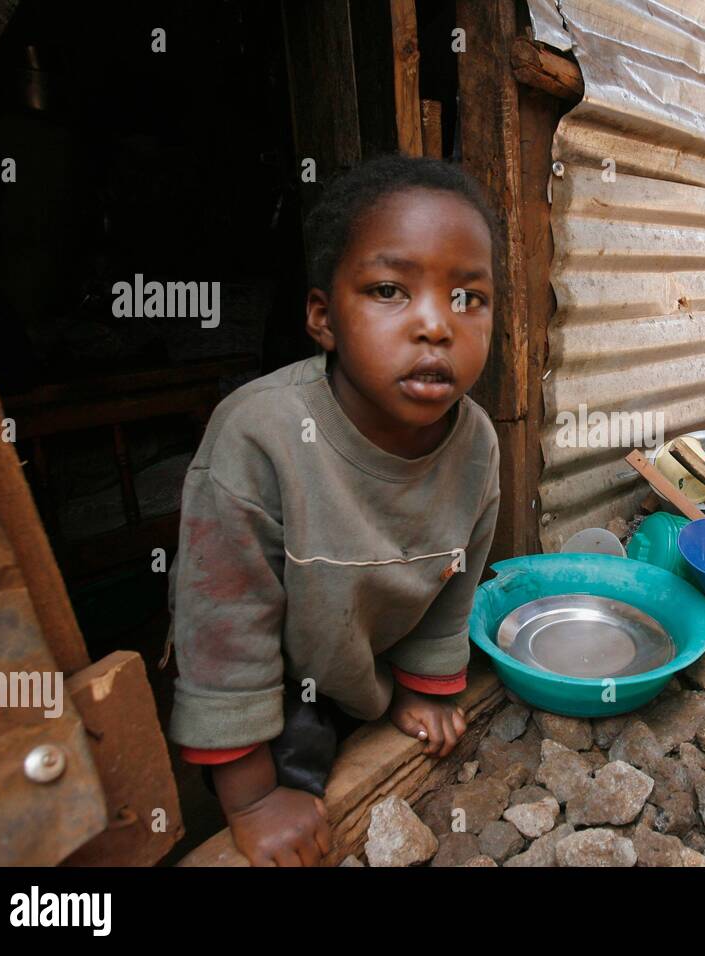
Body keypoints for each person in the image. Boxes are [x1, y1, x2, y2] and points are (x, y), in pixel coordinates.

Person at [165, 155, 499, 867]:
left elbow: (455, 580)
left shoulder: (477, 445)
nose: (437, 324)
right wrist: (253, 800)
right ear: (323, 317)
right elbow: (223, 630)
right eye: (388, 290)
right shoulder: (261, 435)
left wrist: (425, 686)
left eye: (469, 297)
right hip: (279, 686)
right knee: (301, 781)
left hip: (364, 667)